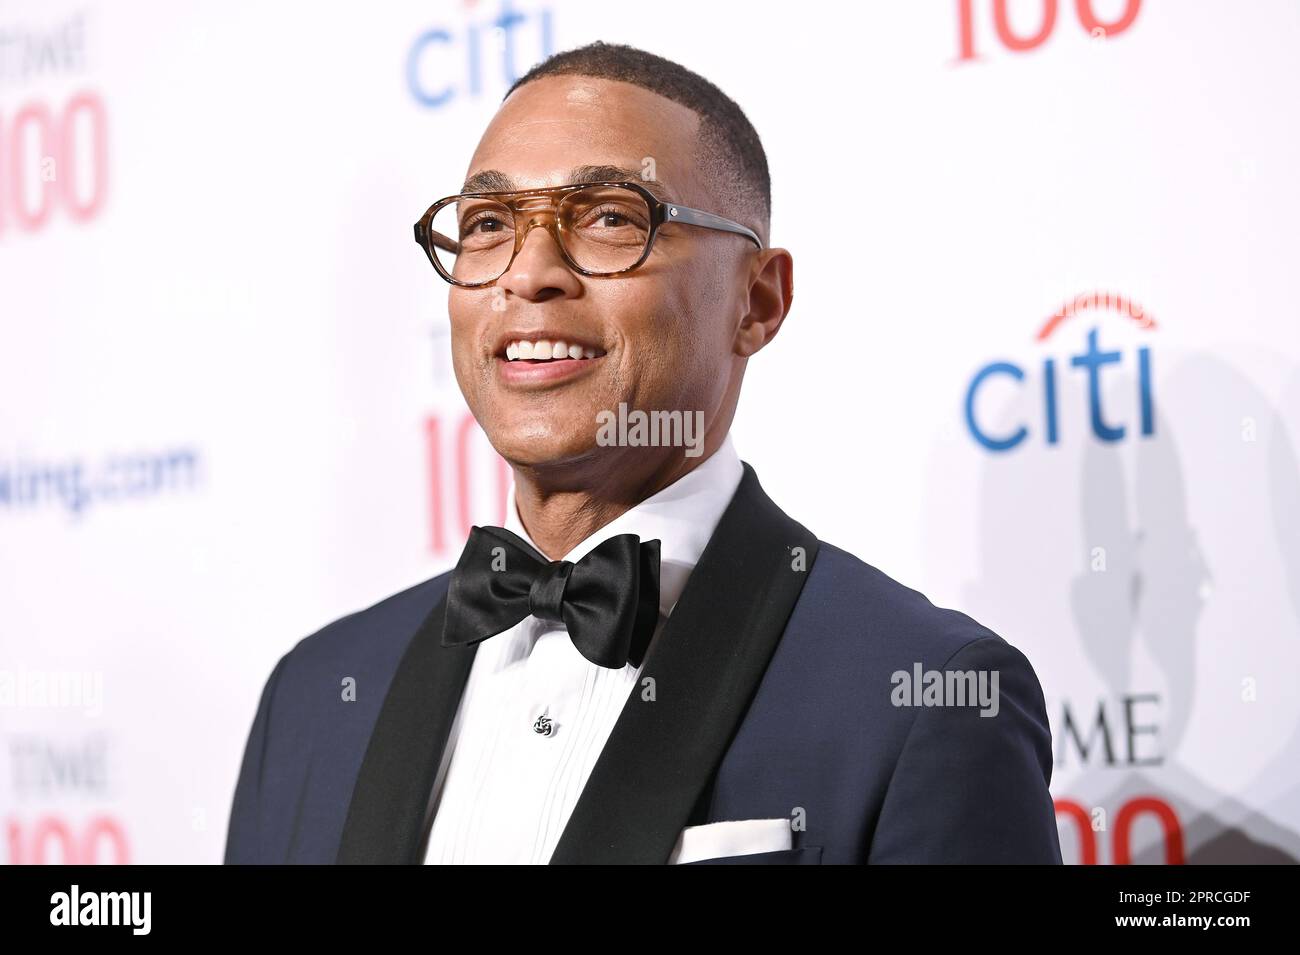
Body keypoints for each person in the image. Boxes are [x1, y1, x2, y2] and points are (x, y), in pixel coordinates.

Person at [224, 41, 1062, 865]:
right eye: (489, 224)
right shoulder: (313, 700)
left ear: (758, 301)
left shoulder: (924, 699)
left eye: (611, 218)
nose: (529, 273)